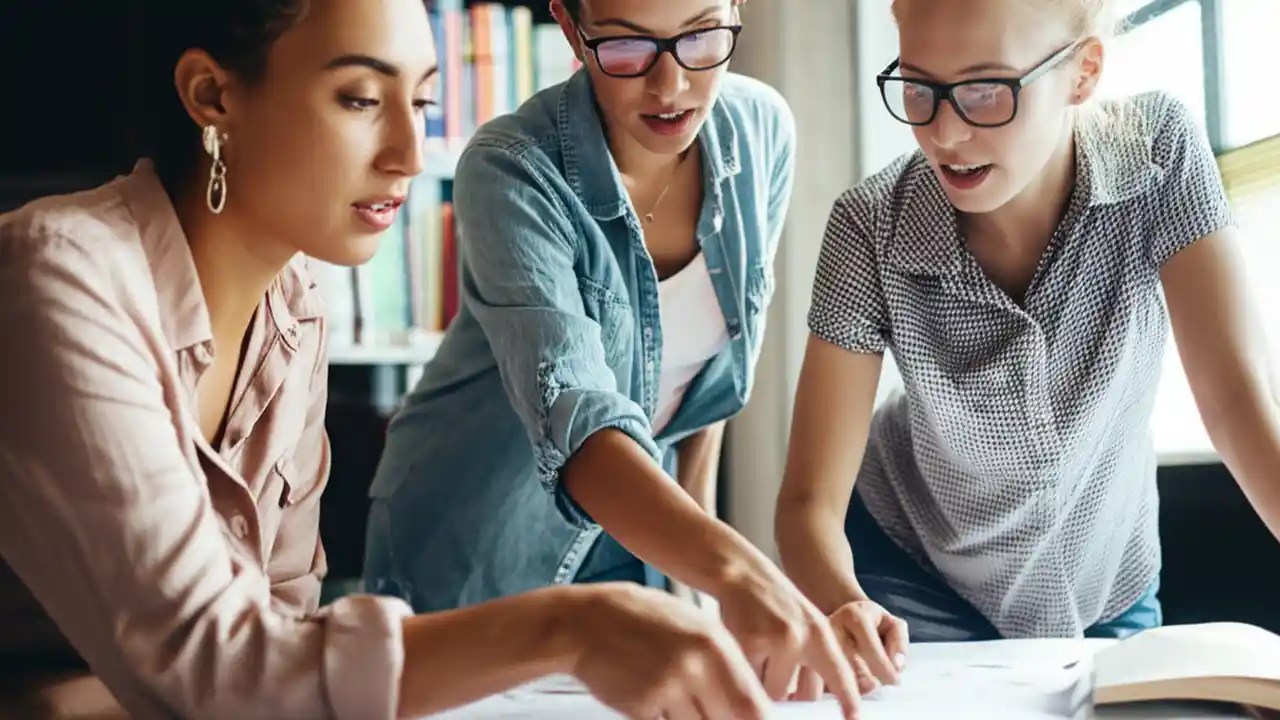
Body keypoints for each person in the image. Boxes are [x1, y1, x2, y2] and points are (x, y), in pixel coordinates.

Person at [0, 2, 791, 718]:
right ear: (212, 95)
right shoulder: (59, 277)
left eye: (420, 102)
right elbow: (217, 664)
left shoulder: (295, 304)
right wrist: (571, 627)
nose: (410, 155)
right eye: (360, 100)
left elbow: (276, 627)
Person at [362, 0, 863, 708]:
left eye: (700, 37)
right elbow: (580, 423)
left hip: (645, 539)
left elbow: (704, 388)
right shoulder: (510, 169)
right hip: (474, 537)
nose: (669, 86)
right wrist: (741, 575)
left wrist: (699, 590)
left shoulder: (760, 130)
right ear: (571, 27)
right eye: (627, 48)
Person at [775, 0, 1280, 697]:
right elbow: (806, 501)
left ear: (1083, 72)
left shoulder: (1158, 151)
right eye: (920, 89)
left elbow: (1236, 400)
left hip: (1106, 593)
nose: (944, 131)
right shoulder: (868, 226)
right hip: (910, 579)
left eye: (985, 90)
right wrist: (842, 600)